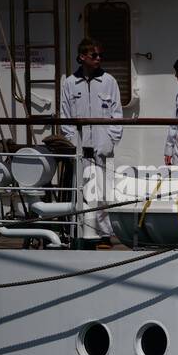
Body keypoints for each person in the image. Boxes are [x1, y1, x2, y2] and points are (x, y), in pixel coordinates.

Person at [60, 37, 122, 244]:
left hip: (103, 146)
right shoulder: (69, 83)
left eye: (100, 55)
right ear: (82, 57)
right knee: (81, 189)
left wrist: (110, 141)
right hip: (79, 146)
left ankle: (104, 234)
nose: (98, 59)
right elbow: (66, 116)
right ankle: (80, 232)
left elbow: (117, 114)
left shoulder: (109, 81)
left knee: (103, 191)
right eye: (94, 55)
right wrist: (71, 143)